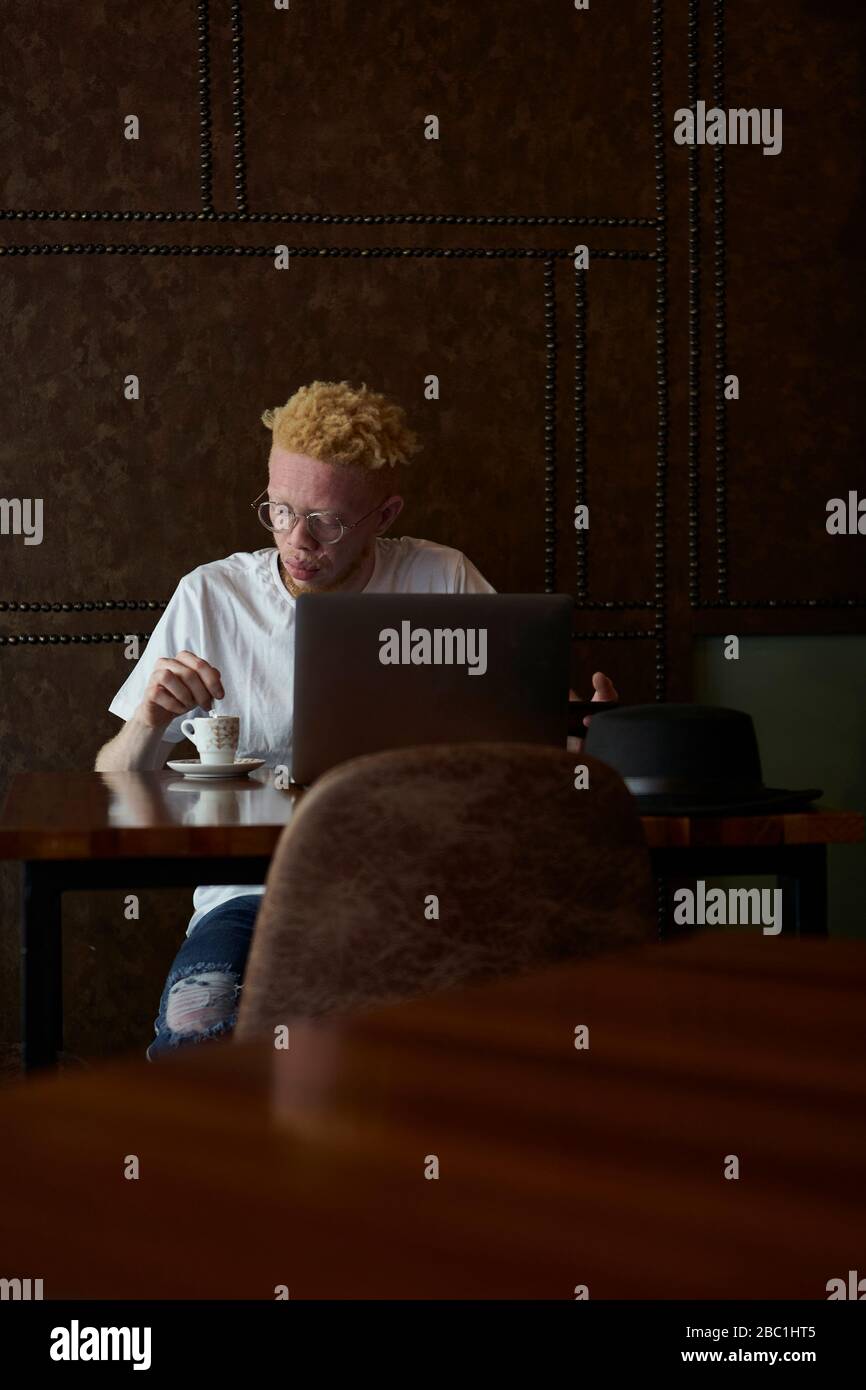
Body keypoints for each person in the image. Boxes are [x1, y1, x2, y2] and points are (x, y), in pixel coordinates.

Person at [95, 380, 618, 1059]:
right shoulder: (212, 596)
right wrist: (145, 721)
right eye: (279, 510)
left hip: (420, 893)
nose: (297, 539)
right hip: (253, 896)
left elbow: (531, 751)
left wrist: (586, 738)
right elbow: (111, 779)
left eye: (327, 521)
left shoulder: (444, 580)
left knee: (481, 1049)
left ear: (384, 514)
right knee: (195, 1034)